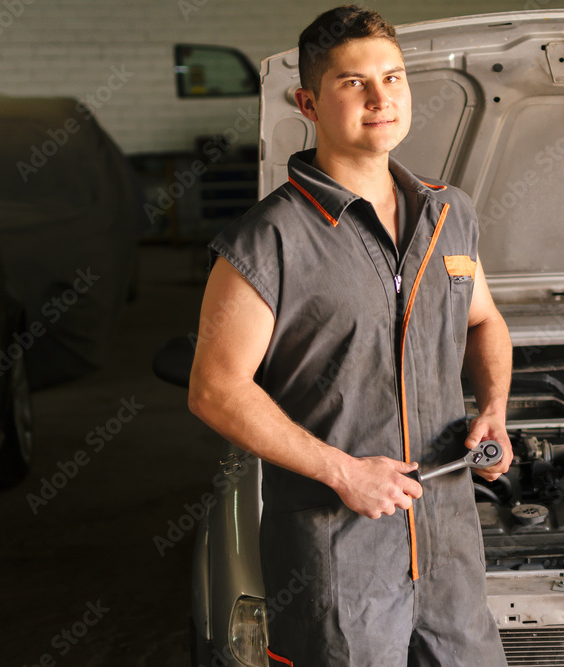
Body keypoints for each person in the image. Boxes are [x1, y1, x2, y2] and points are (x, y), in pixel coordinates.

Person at [187, 5, 512, 666]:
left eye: (392, 78)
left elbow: (484, 319)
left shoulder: (449, 213)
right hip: (336, 557)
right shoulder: (269, 239)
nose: (380, 97)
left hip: (448, 544)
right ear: (308, 101)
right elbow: (215, 389)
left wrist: (495, 410)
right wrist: (343, 472)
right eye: (353, 82)